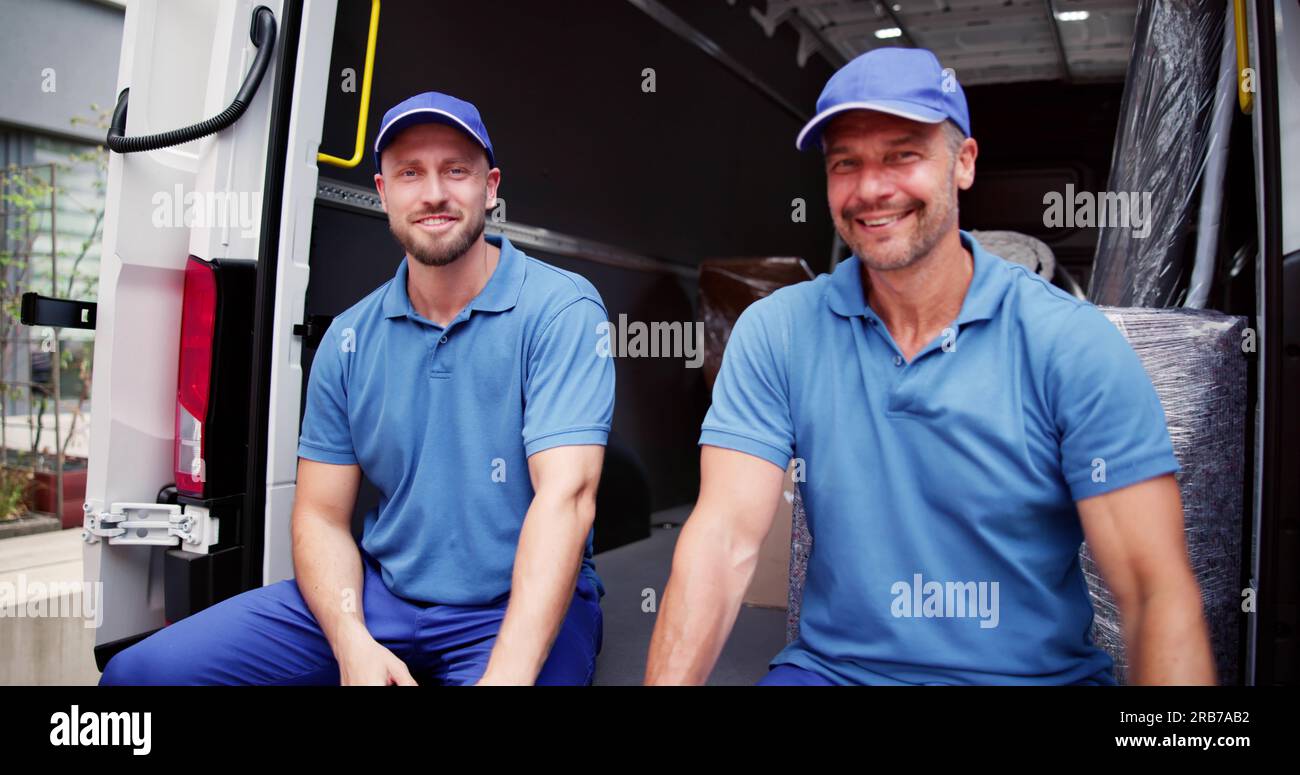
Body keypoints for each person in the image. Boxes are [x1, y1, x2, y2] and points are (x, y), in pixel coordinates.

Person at [644, 48, 1216, 686]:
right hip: (837, 675)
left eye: (902, 154)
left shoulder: (1068, 342)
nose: (871, 188)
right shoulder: (778, 330)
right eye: (845, 163)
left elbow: (1152, 591)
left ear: (964, 163)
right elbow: (722, 541)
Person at [100, 91, 613, 685]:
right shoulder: (350, 338)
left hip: (516, 605)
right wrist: (351, 641)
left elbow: (566, 500)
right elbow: (319, 515)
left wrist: (507, 676)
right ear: (383, 192)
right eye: (410, 173)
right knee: (141, 675)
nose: (434, 193)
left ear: (490, 188)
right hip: (380, 597)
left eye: (456, 170)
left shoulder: (561, 310)